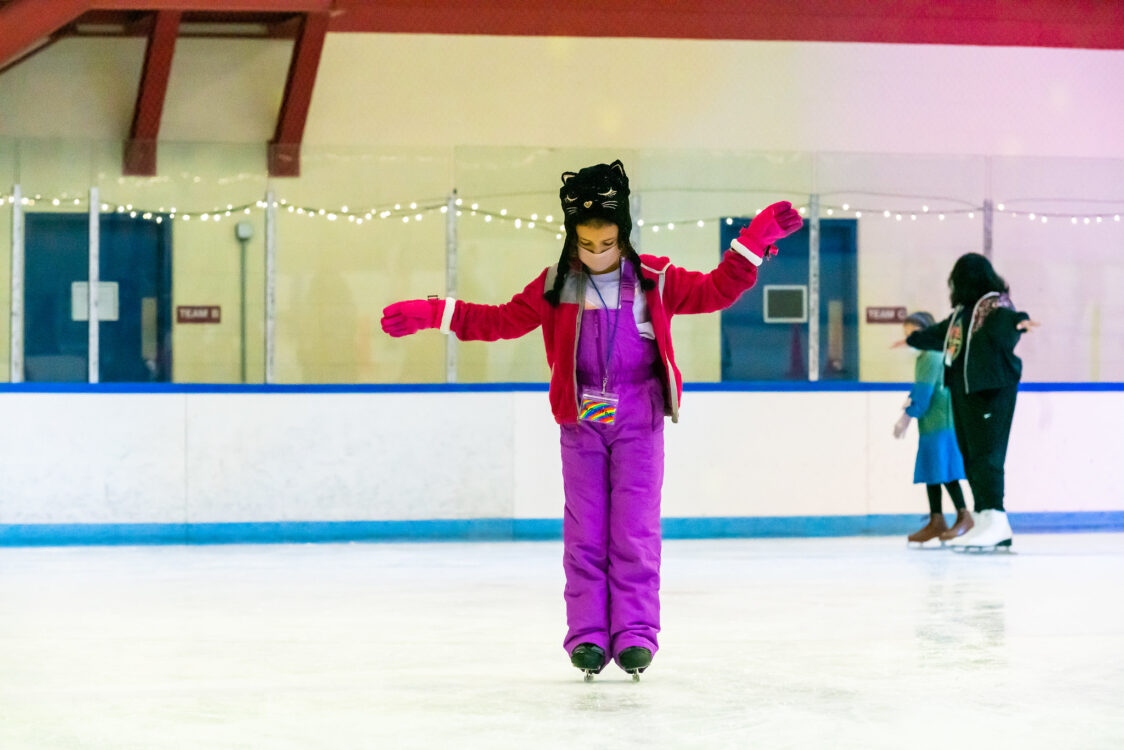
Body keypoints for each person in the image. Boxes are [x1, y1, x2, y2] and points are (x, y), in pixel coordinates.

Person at [380, 160, 802, 679]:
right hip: (581, 419)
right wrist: (434, 312)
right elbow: (497, 320)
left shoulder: (655, 279)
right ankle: (587, 635)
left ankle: (635, 633)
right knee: (585, 533)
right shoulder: (556, 285)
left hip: (639, 416)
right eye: (586, 244)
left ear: (623, 235)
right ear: (571, 238)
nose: (597, 253)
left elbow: (716, 290)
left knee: (634, 530)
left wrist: (752, 243)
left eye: (607, 243)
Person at [901, 253, 1037, 552]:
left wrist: (1020, 321)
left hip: (991, 390)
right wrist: (914, 339)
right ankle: (985, 519)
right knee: (972, 458)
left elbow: (1008, 322)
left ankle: (997, 519)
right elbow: (941, 335)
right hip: (964, 391)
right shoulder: (962, 314)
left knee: (988, 457)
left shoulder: (995, 305)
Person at [892, 311, 971, 545]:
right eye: (906, 334)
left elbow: (924, 392)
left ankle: (963, 515)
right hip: (934, 422)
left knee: (943, 469)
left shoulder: (930, 355)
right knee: (933, 470)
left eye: (914, 333)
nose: (910, 339)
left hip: (939, 423)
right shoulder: (932, 354)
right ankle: (937, 519)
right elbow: (921, 389)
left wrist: (906, 416)